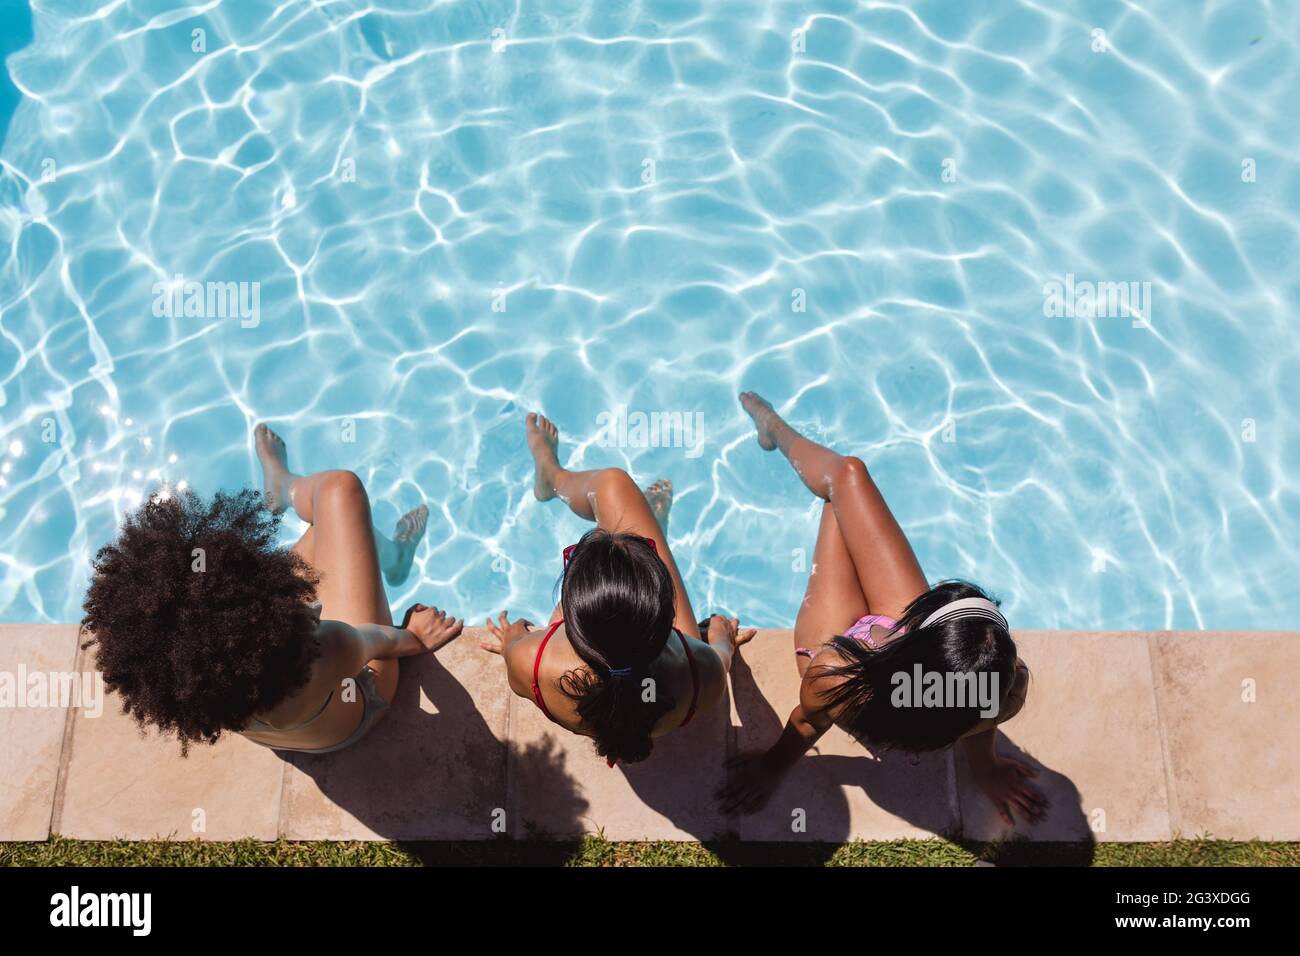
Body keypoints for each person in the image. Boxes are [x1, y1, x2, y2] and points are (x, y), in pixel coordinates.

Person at [719, 393, 1044, 825]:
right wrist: (986, 768)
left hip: (847, 650)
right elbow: (980, 719)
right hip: (905, 658)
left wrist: (772, 767)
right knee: (849, 474)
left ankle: (773, 429)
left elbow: (807, 725)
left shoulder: (836, 675)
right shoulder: (1001, 687)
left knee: (840, 488)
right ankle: (775, 430)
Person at [80, 424, 462, 754]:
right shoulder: (329, 646)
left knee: (335, 531)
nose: (312, 606)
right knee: (340, 490)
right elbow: (380, 642)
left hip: (282, 710)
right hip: (359, 706)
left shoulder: (199, 680)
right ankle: (369, 543)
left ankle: (298, 496)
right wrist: (413, 636)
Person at [481, 412, 754, 765]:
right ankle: (640, 536)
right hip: (669, 671)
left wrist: (511, 640)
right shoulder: (704, 675)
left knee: (611, 488)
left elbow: (515, 640)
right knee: (615, 490)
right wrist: (720, 636)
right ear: (667, 614)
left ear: (570, 615)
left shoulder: (529, 662)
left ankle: (551, 475)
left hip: (566, 668)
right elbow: (721, 657)